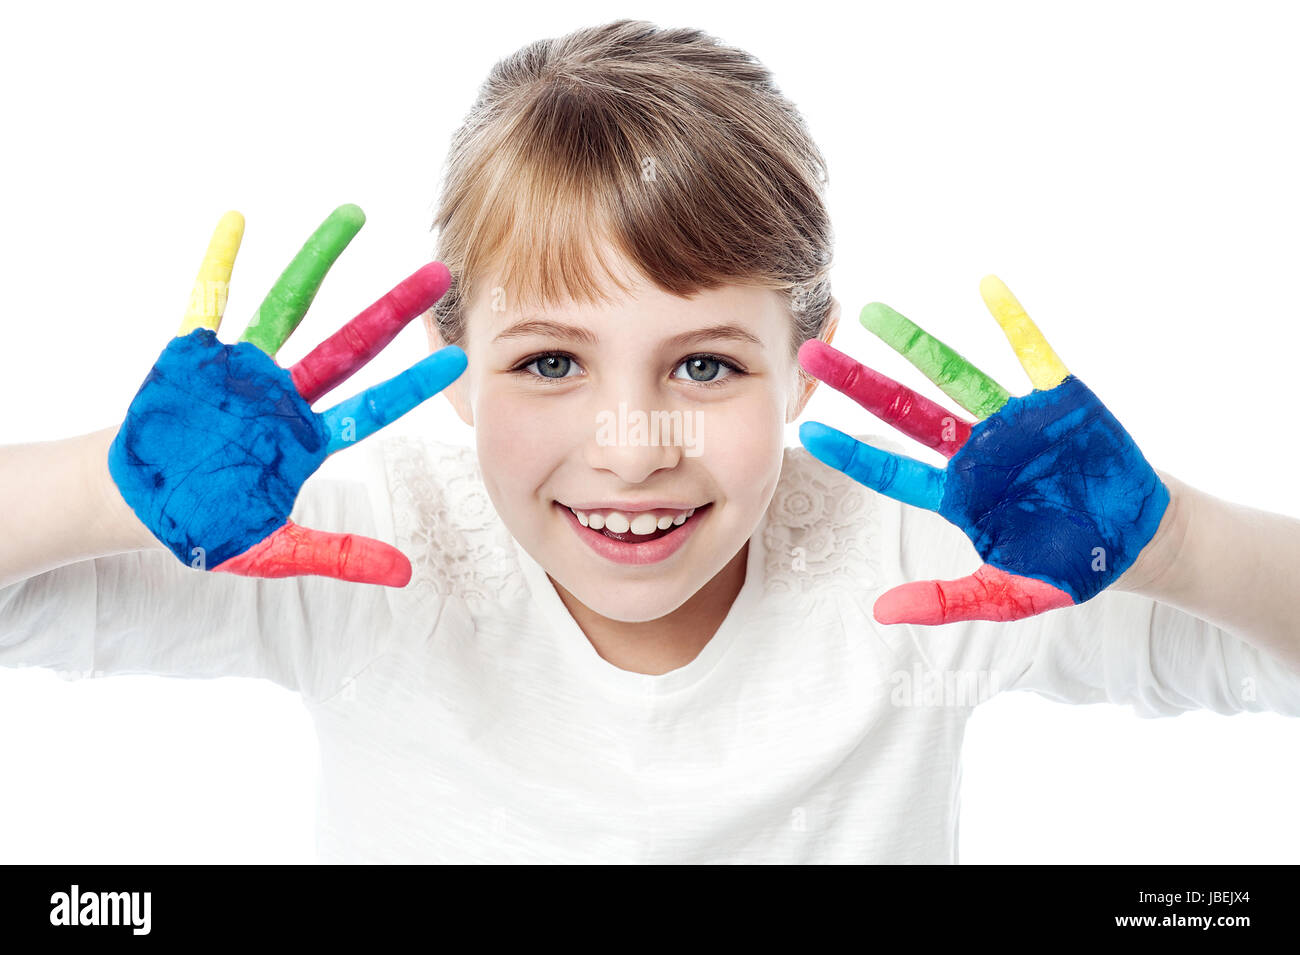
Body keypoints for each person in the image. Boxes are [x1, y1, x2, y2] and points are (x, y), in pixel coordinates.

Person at [2, 18, 1298, 864]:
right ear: (453, 364)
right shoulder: (356, 532)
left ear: (805, 364)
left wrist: (1176, 544)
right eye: (551, 362)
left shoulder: (940, 555)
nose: (630, 449)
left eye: (707, 365)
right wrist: (119, 489)